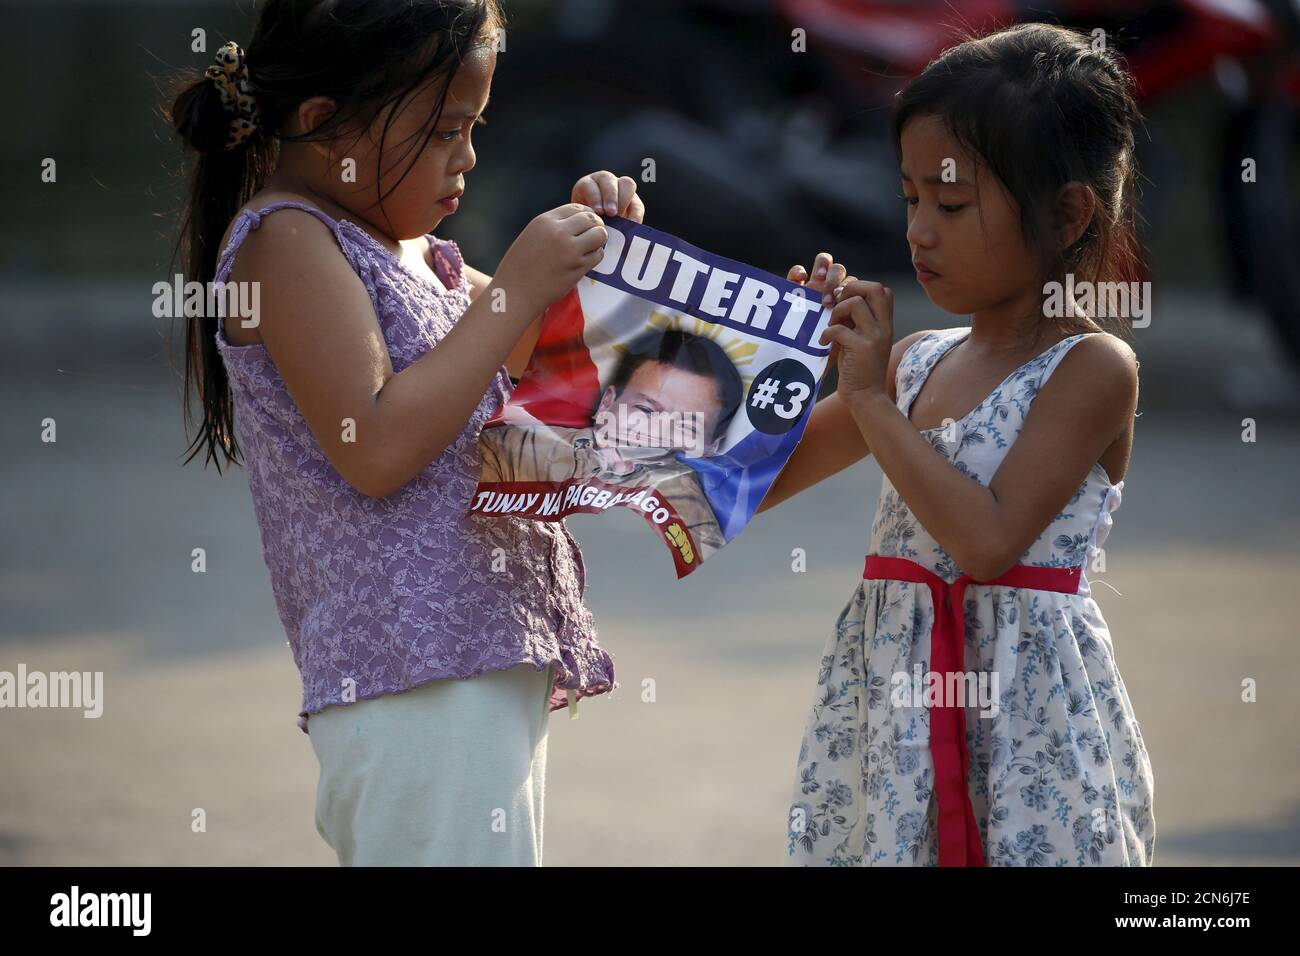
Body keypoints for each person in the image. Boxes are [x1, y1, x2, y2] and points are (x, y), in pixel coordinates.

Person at [166, 0, 646, 865]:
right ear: (322, 125)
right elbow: (376, 445)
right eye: (441, 130)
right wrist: (517, 290)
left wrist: (591, 260)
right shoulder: (288, 241)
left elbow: (527, 364)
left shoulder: (422, 253)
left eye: (474, 126)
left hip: (478, 668)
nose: (465, 156)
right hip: (413, 683)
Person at [761, 23, 1155, 866]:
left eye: (950, 203)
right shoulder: (916, 363)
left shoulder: (1091, 368)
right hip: (894, 721)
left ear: (1067, 211)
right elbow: (750, 478)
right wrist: (777, 352)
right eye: (909, 200)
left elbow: (984, 540)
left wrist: (867, 399)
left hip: (1026, 726)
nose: (919, 232)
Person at [479, 329, 742, 562]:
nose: (658, 433)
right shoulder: (521, 447)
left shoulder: (695, 507)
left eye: (686, 426)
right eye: (645, 410)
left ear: (712, 448)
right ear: (607, 404)